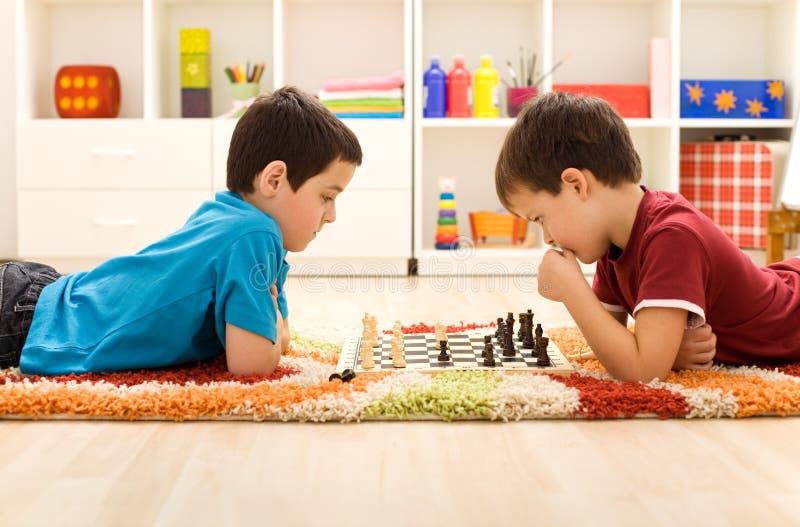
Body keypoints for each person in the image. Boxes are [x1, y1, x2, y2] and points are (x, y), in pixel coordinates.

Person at [1, 86, 362, 376]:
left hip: (39, 295)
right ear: (274, 179)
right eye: (326, 196)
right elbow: (253, 364)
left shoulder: (232, 218)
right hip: (25, 320)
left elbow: (277, 342)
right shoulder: (253, 235)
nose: (331, 215)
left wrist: (276, 332)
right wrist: (276, 329)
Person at [495, 91, 800, 382]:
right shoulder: (613, 242)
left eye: (540, 218)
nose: (547, 238)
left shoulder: (672, 238)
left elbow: (642, 372)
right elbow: (612, 345)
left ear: (576, 185)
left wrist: (573, 291)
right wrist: (663, 353)